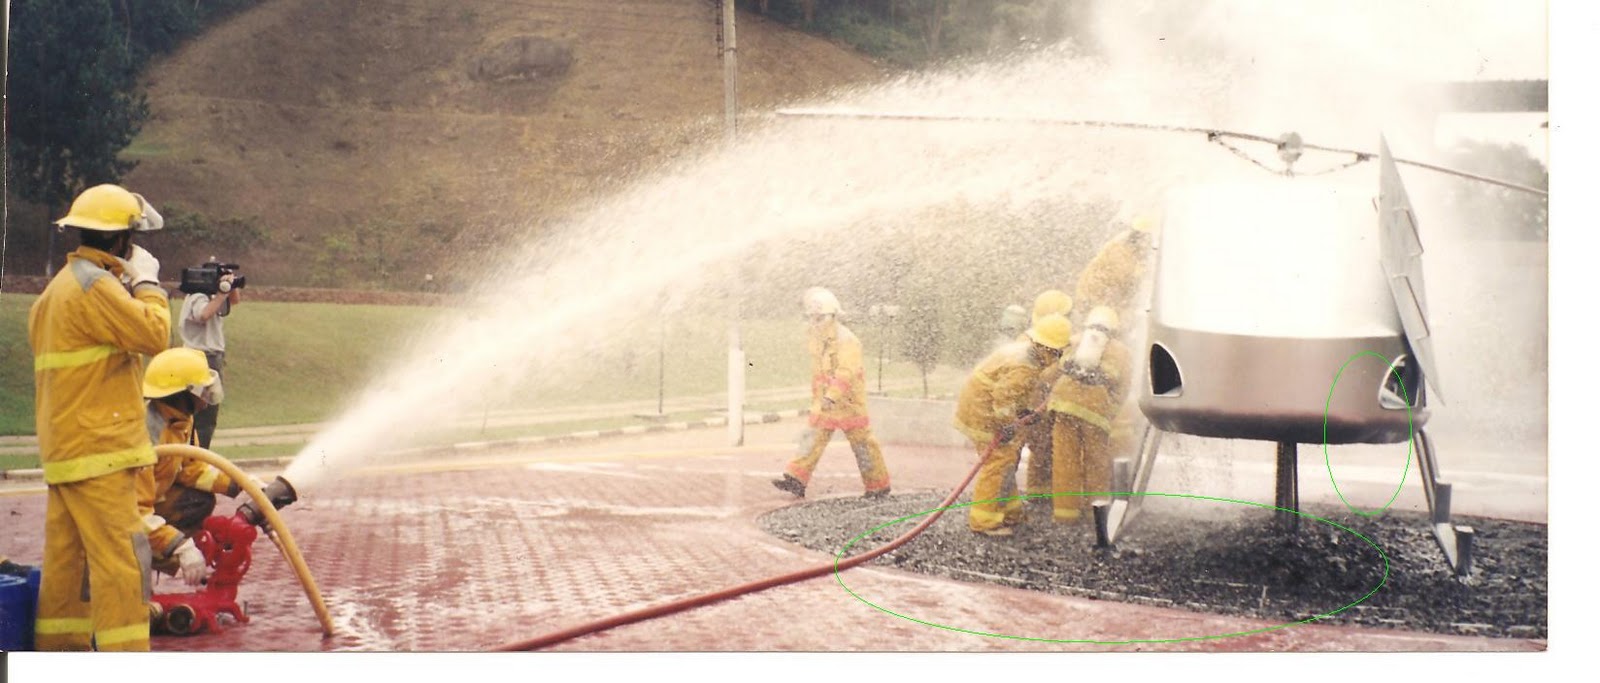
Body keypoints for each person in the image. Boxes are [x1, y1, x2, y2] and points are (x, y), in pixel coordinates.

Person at [29, 184, 169, 651]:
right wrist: (147, 282)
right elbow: (154, 333)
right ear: (120, 241)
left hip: (66, 453)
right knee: (124, 563)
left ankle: (59, 658)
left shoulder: (56, 292)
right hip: (101, 454)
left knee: (67, 570)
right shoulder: (96, 285)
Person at [138, 348, 257, 586]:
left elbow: (193, 468)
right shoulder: (144, 435)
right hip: (121, 520)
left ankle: (158, 553)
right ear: (181, 394)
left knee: (199, 501)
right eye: (200, 391)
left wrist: (240, 483)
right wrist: (180, 546)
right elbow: (131, 512)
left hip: (146, 505)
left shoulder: (182, 420)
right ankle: (147, 562)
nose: (206, 399)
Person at [953, 313, 1071, 536]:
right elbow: (1003, 398)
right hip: (983, 412)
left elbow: (1011, 394)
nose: (1058, 358)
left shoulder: (1026, 353)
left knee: (1006, 459)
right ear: (1048, 348)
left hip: (980, 407)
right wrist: (1008, 423)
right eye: (1058, 352)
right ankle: (983, 521)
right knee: (998, 462)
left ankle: (1009, 511)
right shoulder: (1025, 367)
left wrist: (1022, 413)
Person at [772, 287, 892, 499]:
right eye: (812, 318)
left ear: (833, 316)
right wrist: (822, 397)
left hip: (849, 404)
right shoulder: (816, 337)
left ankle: (878, 487)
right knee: (811, 439)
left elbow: (846, 372)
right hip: (826, 403)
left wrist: (831, 395)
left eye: (819, 318)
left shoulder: (848, 341)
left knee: (863, 446)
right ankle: (796, 479)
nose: (815, 322)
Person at [1046, 307, 1133, 522]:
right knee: (1096, 463)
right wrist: (1110, 411)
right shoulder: (1122, 351)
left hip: (1064, 407)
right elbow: (1122, 388)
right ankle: (1096, 511)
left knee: (1065, 461)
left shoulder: (1076, 340)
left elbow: (1061, 367)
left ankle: (1065, 513)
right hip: (1095, 413)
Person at [179, 259, 243, 449]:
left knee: (208, 415)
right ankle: (198, 456)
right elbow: (203, 315)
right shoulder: (199, 296)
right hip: (201, 358)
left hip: (210, 357)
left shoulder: (212, 297)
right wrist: (221, 293)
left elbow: (235, 301)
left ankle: (197, 454)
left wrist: (230, 286)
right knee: (204, 415)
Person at [1018, 289, 1073, 499]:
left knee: (1045, 448)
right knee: (1040, 448)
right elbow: (1034, 376)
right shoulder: (1033, 342)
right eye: (1065, 313)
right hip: (1034, 406)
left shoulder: (1046, 337)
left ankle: (1041, 493)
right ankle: (1038, 494)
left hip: (1041, 405)